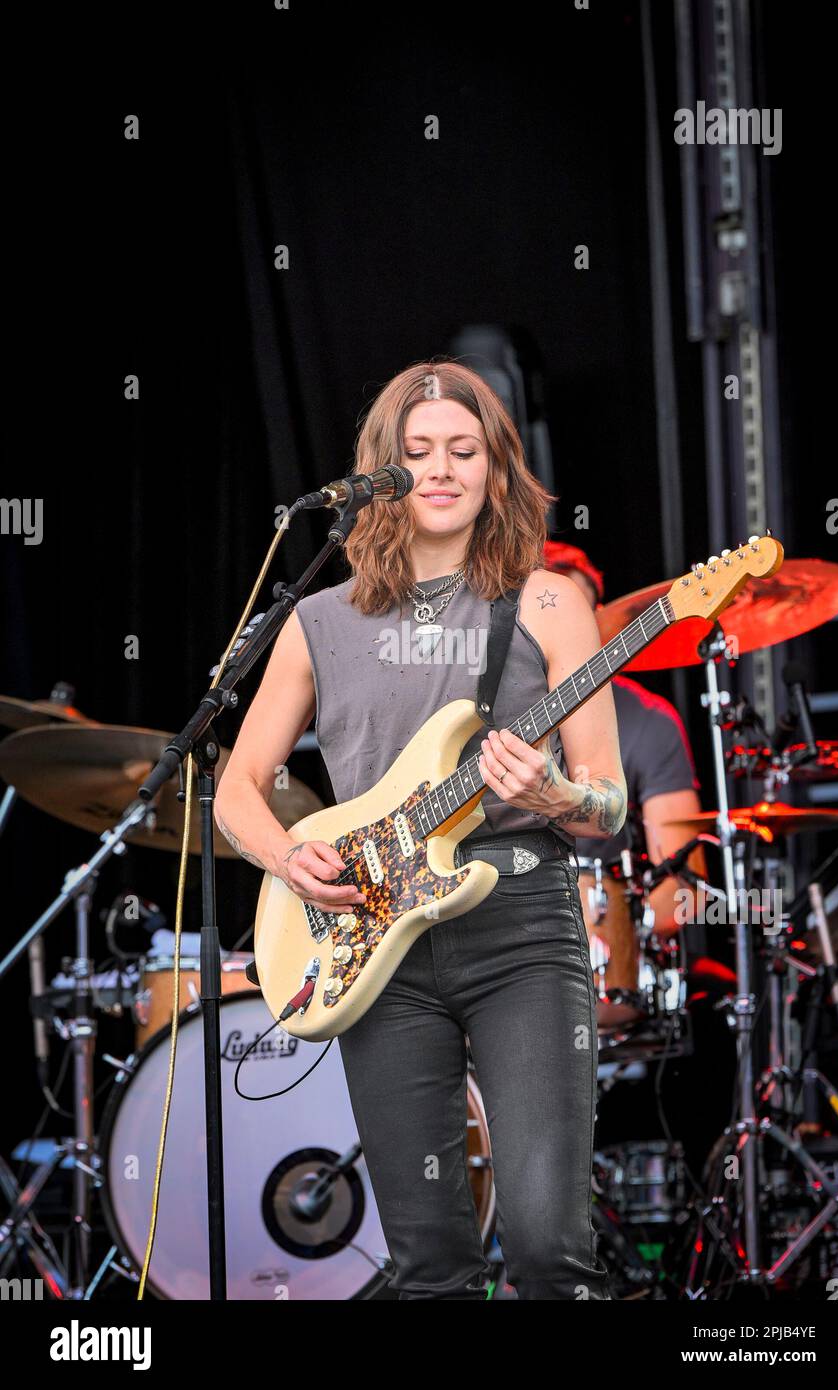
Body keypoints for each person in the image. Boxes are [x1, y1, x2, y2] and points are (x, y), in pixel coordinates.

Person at [214, 361, 627, 1300]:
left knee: (545, 1249)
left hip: (520, 924)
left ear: (496, 467)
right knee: (427, 1265)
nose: (441, 469)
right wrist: (286, 854)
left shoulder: (553, 599)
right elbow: (237, 787)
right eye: (417, 452)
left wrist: (560, 795)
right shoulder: (317, 619)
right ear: (383, 470)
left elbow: (609, 802)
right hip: (374, 938)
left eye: (464, 450)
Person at [542, 540, 705, 938]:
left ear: (599, 619)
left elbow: (684, 889)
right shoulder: (475, 715)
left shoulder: (650, 721)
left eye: (575, 612)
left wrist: (621, 946)